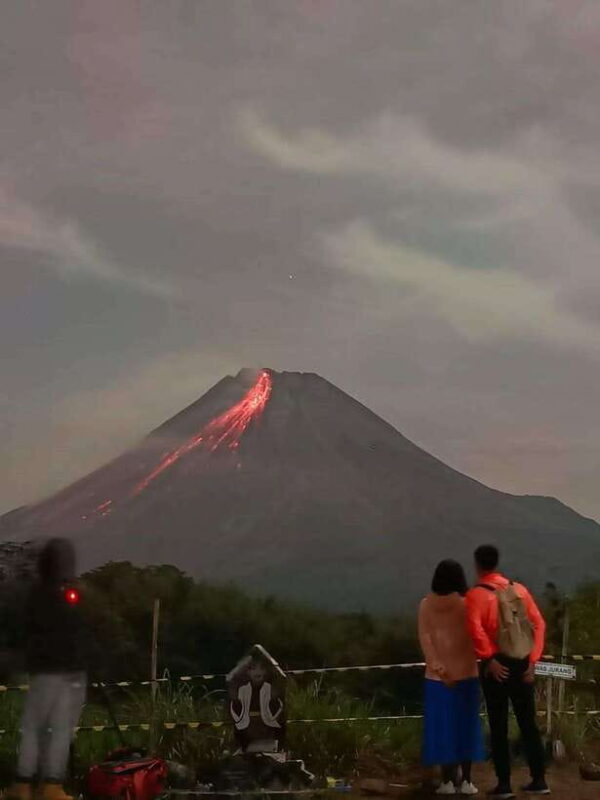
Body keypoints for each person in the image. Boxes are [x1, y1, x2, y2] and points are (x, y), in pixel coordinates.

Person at [7, 539, 88, 800]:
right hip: (71, 672)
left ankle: (23, 784)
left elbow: (26, 632)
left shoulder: (37, 595)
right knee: (61, 730)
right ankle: (53, 786)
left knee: (33, 728)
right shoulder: (69, 595)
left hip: (45, 672)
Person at [466, 545, 548, 798]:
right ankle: (539, 779)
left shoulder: (476, 595)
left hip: (496, 665)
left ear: (478, 565)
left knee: (498, 724)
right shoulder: (519, 590)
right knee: (528, 723)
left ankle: (504, 784)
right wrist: (533, 660)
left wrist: (488, 659)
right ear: (497, 563)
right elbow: (539, 624)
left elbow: (475, 629)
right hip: (523, 662)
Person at [419, 559, 484, 796]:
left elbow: (426, 641)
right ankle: (466, 780)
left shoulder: (425, 605)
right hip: (466, 675)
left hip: (437, 680)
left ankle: (446, 781)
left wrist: (440, 670)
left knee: (443, 729)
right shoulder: (467, 605)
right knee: (465, 727)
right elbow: (477, 636)